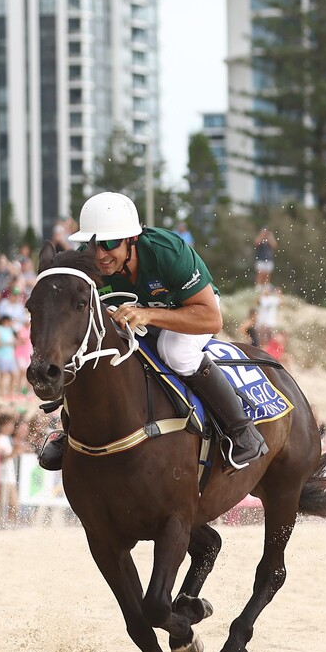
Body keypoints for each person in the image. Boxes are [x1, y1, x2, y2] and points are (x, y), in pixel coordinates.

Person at [36, 192, 267, 471]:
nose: (100, 255)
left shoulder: (166, 252)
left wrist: (148, 314)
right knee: (91, 351)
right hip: (135, 320)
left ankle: (241, 429)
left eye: (110, 243)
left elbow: (211, 319)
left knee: (175, 352)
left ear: (131, 240)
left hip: (190, 311)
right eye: (93, 244)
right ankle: (70, 428)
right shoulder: (90, 264)